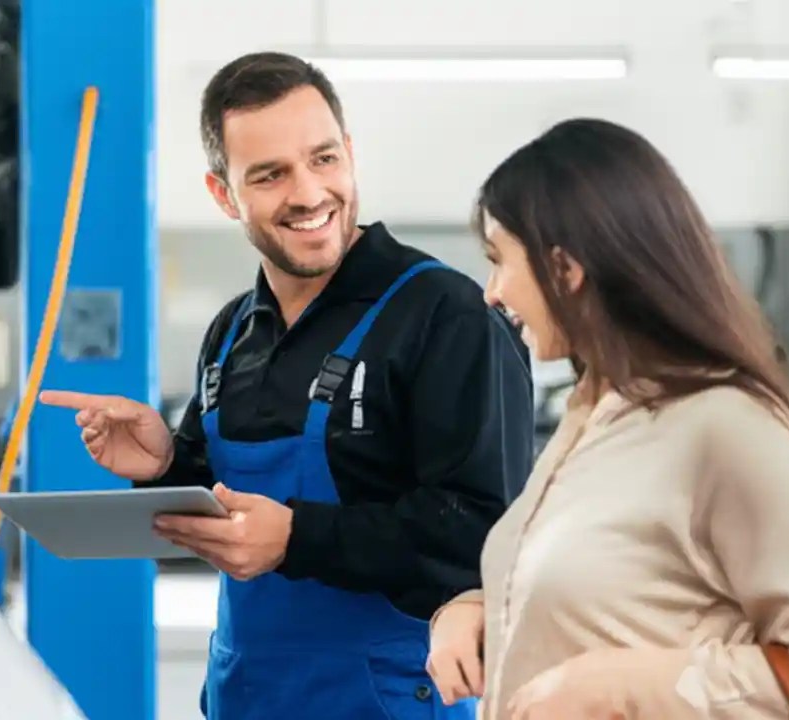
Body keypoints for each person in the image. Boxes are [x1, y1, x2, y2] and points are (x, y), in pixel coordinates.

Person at [40, 51, 534, 718]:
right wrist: (164, 465)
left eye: (323, 159)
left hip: (388, 700)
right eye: (270, 175)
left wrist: (297, 538)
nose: (307, 194)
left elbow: (484, 533)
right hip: (249, 696)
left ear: (350, 155)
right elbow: (220, 503)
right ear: (224, 194)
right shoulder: (232, 333)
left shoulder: (445, 316)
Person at [425, 117, 789, 719]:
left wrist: (622, 685)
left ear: (566, 268)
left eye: (500, 261)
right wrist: (476, 611)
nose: (492, 292)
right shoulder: (593, 416)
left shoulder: (725, 428)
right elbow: (617, 600)